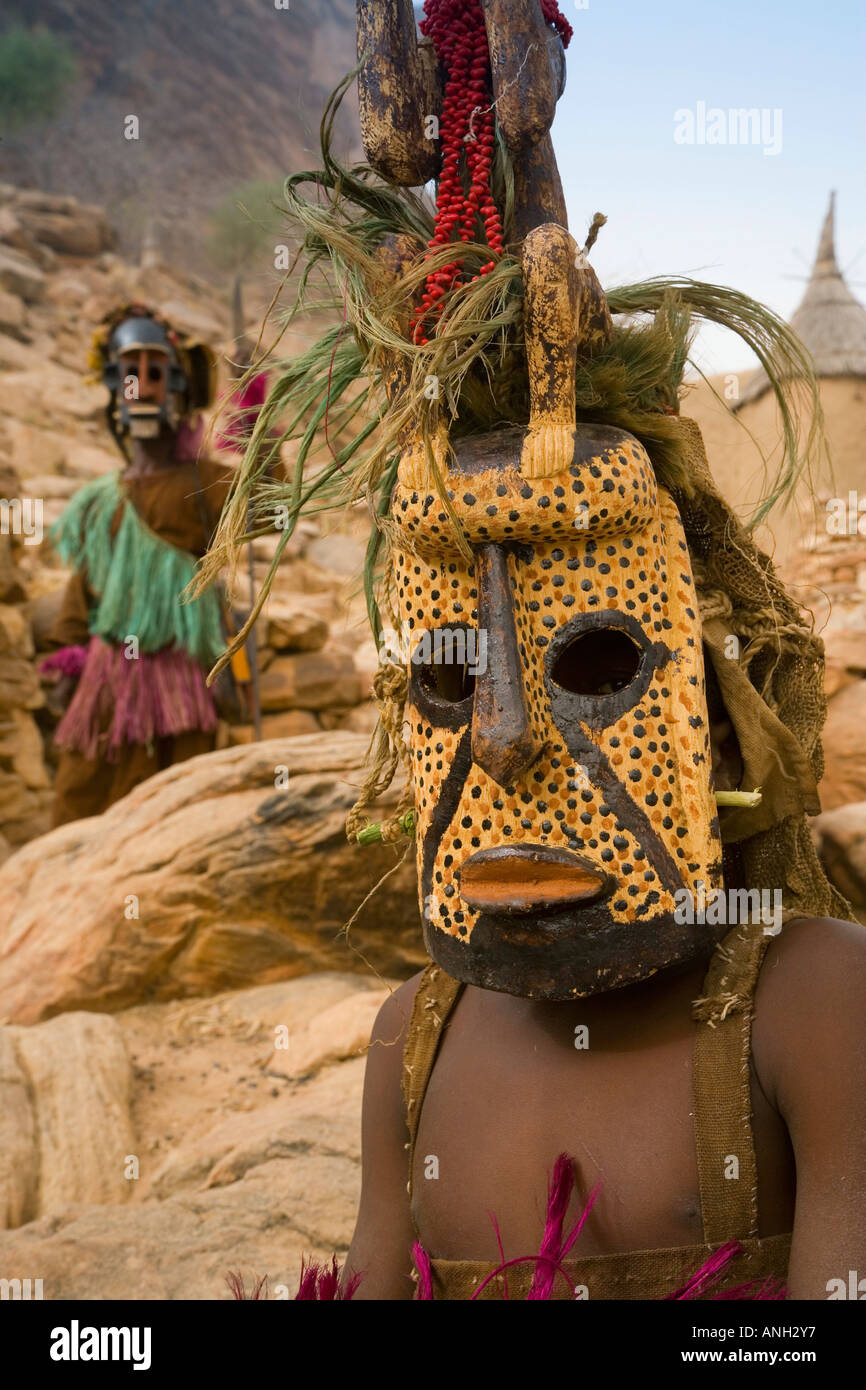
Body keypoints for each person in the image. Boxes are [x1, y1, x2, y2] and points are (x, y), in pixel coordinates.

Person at [214, 0, 866, 1300]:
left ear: (713, 697)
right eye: (447, 681)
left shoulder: (814, 1006)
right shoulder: (413, 1037)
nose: (501, 738)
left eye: (590, 662)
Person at [42, 303, 237, 825]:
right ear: (114, 386)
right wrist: (70, 660)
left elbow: (273, 506)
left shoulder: (209, 484)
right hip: (106, 680)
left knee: (176, 813)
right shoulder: (98, 500)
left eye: (157, 372)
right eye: (131, 372)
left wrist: (254, 417)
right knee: (83, 798)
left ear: (177, 387)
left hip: (182, 679)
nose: (143, 387)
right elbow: (86, 588)